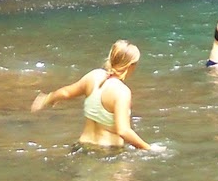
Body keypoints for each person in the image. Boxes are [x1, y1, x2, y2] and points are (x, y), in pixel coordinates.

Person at [30, 40, 160, 151]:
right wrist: (148, 148)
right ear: (131, 66)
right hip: (107, 152)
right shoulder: (122, 92)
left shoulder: (93, 76)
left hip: (82, 147)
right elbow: (123, 131)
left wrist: (47, 99)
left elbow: (66, 93)